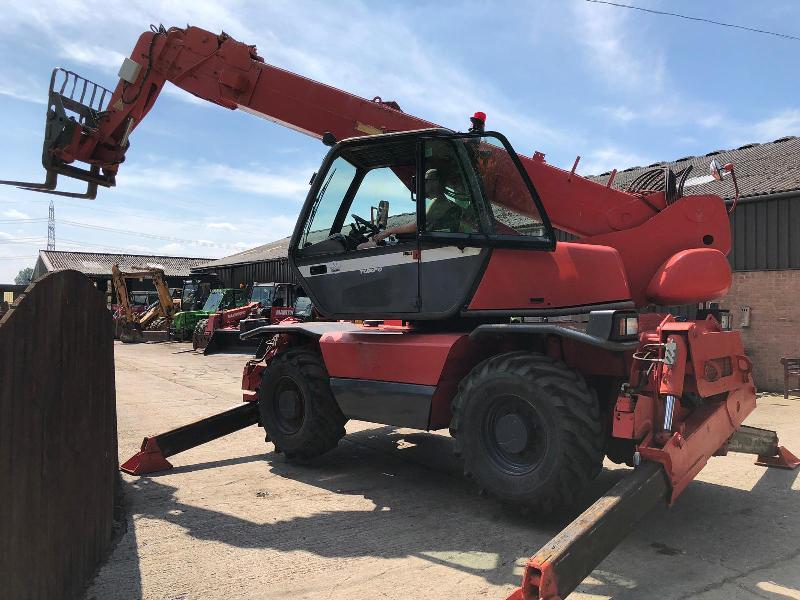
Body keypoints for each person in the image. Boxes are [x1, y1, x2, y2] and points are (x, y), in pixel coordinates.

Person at [369, 167, 476, 245]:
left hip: (429, 247)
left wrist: (389, 231)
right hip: (429, 244)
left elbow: (415, 226)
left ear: (436, 182)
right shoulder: (436, 202)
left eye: (426, 181)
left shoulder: (438, 203)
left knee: (364, 247)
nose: (423, 184)